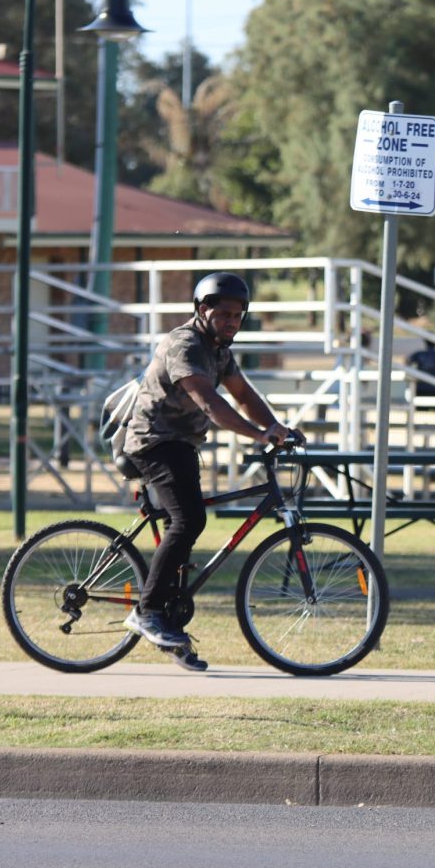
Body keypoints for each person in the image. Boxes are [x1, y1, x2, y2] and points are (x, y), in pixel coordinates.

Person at [121, 271, 303, 671]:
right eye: (223, 314)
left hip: (182, 446)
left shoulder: (220, 350)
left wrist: (277, 428)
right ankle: (148, 611)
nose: (232, 322)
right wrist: (260, 436)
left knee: (186, 525)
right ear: (202, 311)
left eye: (238, 316)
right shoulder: (184, 344)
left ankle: (171, 627)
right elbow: (211, 404)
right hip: (154, 443)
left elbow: (243, 395)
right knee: (189, 520)